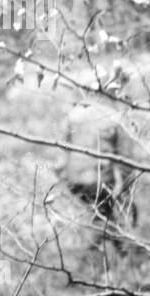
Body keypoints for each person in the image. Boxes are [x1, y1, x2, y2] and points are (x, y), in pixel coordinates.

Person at [54, 98, 138, 237]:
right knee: (106, 211)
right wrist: (124, 184)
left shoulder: (72, 115)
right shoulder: (113, 116)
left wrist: (62, 176)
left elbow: (62, 154)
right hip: (104, 180)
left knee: (100, 210)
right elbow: (124, 157)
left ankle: (104, 240)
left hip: (76, 180)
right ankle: (113, 242)